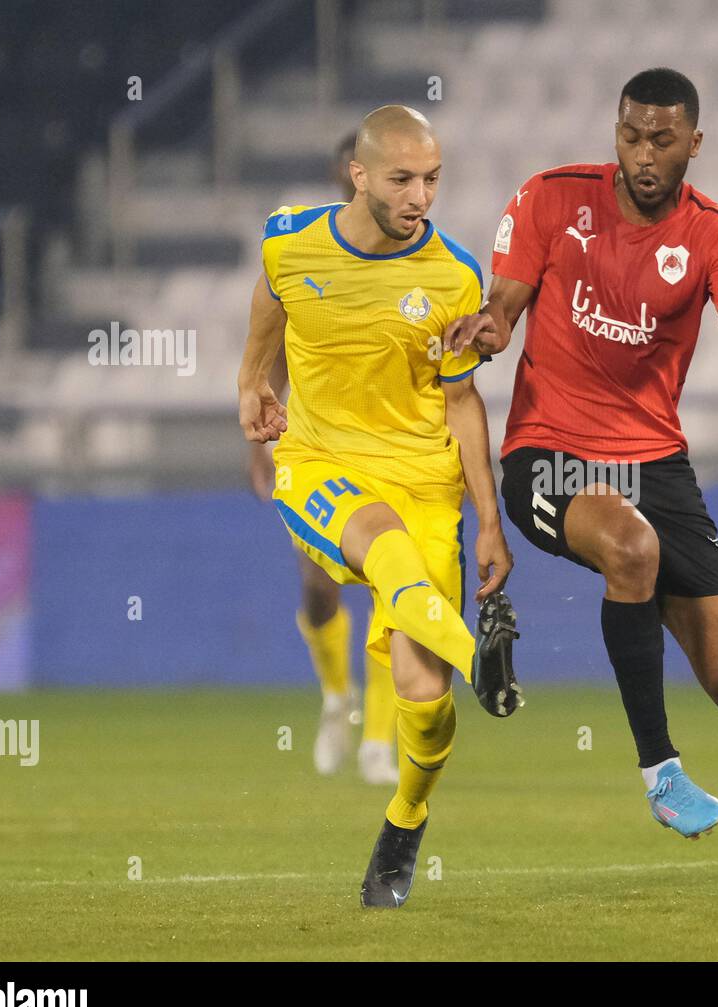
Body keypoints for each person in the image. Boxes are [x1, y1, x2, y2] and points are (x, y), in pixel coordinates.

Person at [445, 68, 718, 896]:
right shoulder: (552, 200)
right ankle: (660, 771)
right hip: (548, 456)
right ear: (615, 132)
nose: (643, 154)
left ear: (694, 143)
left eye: (662, 140)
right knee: (630, 548)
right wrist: (484, 330)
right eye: (631, 136)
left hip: (655, 465)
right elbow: (501, 315)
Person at [239, 105, 523, 909]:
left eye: (432, 179)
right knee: (385, 548)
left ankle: (404, 821)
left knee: (423, 705)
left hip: (424, 480)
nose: (420, 196)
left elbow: (462, 402)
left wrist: (490, 522)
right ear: (358, 176)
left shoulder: (454, 276)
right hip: (321, 463)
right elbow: (271, 298)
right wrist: (249, 382)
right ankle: (482, 659)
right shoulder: (292, 238)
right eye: (403, 179)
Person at [246, 131, 397, 785]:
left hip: (394, 451)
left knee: (397, 592)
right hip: (315, 450)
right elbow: (268, 356)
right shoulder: (306, 251)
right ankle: (338, 698)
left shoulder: (422, 257)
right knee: (319, 587)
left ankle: (380, 744)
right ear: (349, 171)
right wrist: (259, 444)